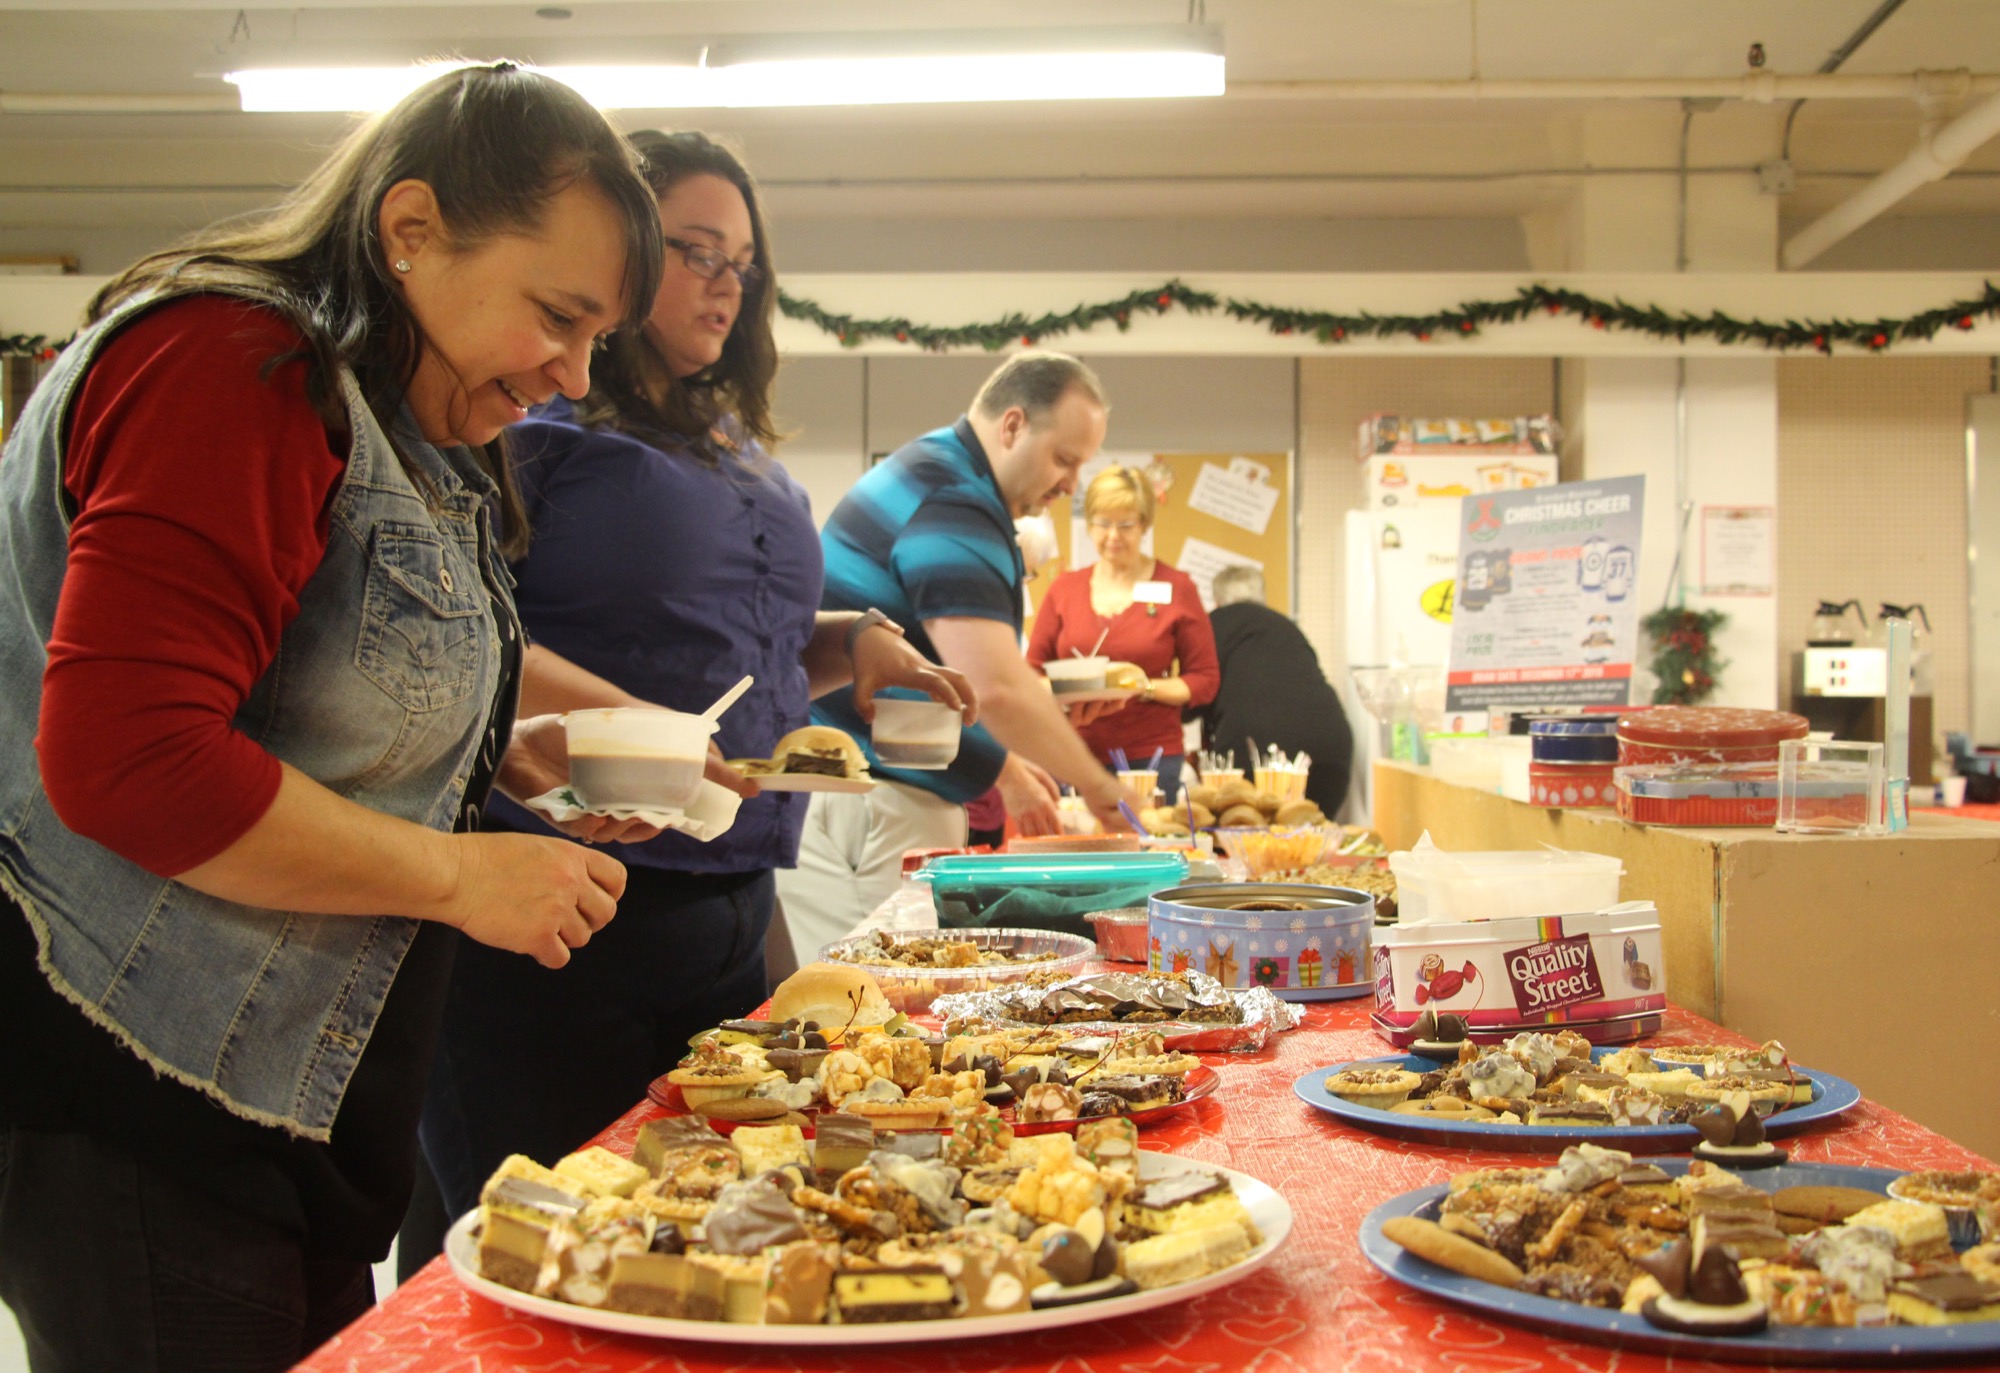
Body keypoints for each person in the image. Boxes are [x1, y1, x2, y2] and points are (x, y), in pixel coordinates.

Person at [0, 64, 668, 1372]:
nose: (574, 375)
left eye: (598, 341)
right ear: (409, 228)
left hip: (277, 1105)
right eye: (557, 315)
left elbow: (310, 699)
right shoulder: (225, 359)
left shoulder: (408, 423)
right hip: (140, 1094)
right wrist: (461, 874)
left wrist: (498, 763)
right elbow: (130, 762)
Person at [406, 130, 972, 1265]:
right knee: (548, 1247)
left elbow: (731, 652)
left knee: (709, 1236)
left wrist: (851, 644)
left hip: (730, 897)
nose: (723, 281)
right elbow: (458, 634)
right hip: (564, 906)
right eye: (694, 251)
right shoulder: (528, 420)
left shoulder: (729, 438)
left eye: (741, 262)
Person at [776, 352, 1135, 963]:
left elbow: (939, 675)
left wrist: (1018, 753)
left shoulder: (938, 471)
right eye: (1064, 459)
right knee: (867, 1015)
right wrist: (1104, 791)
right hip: (862, 803)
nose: (1071, 483)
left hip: (866, 799)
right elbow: (992, 688)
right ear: (1013, 426)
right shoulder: (956, 500)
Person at [1026, 465, 1220, 807]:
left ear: (1144, 525)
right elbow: (1031, 674)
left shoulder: (1176, 587)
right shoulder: (1064, 590)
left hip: (1151, 761)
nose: (1113, 536)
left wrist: (1142, 687)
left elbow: (1204, 680)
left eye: (1126, 525)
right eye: (1102, 523)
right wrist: (1068, 690)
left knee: (1145, 851)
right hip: (1071, 756)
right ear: (1088, 524)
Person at [1195, 564, 1356, 816]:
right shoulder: (1286, 626)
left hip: (1255, 751)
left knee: (1243, 836)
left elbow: (1195, 694)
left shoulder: (1211, 625)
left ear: (1217, 600)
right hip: (1328, 749)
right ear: (1263, 597)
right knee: (1310, 839)